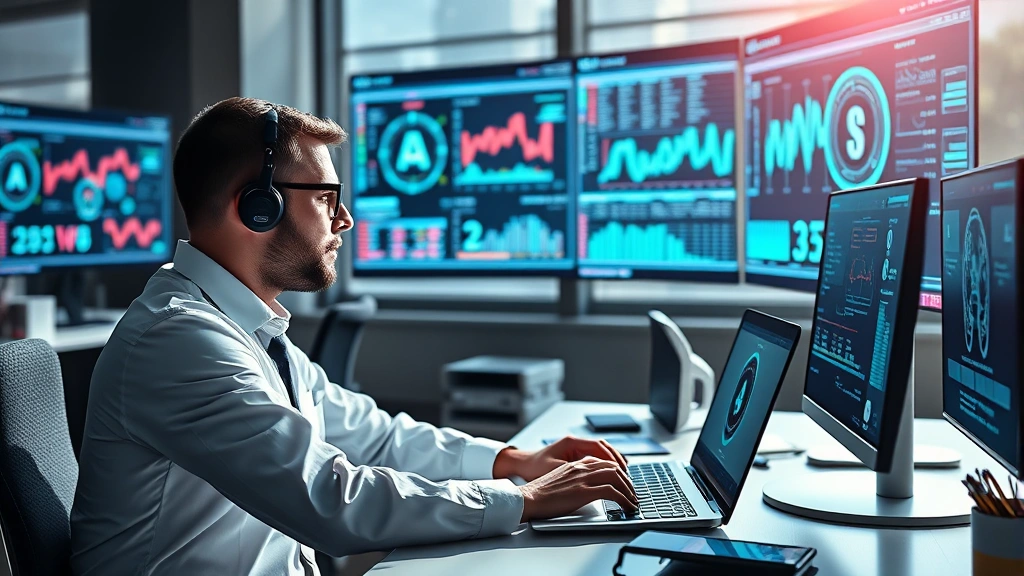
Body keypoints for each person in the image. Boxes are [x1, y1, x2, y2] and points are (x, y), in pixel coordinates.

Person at [70, 97, 638, 575]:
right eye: (325, 198)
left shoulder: (247, 328)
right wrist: (523, 501)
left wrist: (517, 462)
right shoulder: (178, 340)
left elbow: (377, 438)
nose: (345, 220)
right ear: (258, 207)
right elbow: (331, 501)